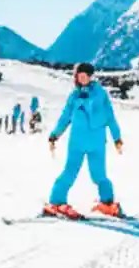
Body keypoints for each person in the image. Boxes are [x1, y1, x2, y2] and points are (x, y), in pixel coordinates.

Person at [45, 62, 124, 218]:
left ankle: (107, 202)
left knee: (99, 175)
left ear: (89, 76)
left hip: (97, 143)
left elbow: (110, 116)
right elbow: (65, 117)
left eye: (84, 76)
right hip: (77, 143)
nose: (81, 79)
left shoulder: (100, 94)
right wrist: (55, 134)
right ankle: (56, 201)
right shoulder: (74, 96)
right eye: (78, 76)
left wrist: (117, 137)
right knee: (69, 172)